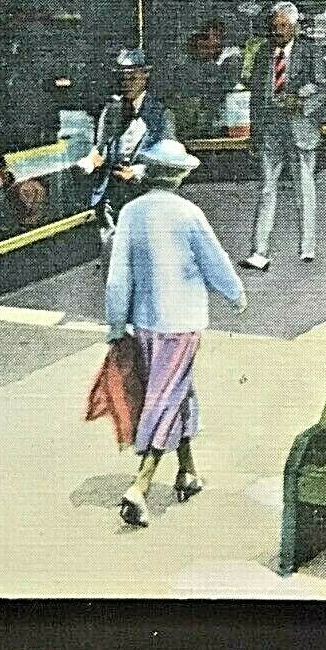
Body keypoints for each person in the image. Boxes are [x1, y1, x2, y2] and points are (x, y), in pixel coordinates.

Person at [105, 140, 246, 529]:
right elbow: (214, 261)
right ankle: (140, 485)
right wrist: (235, 293)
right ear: (182, 174)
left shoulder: (131, 213)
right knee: (168, 396)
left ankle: (187, 472)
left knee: (176, 389)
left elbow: (118, 277)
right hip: (182, 321)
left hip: (145, 321)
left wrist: (117, 323)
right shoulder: (189, 213)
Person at [242, 1, 326, 271]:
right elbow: (256, 97)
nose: (278, 31)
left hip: (300, 128)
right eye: (274, 26)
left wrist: (304, 105)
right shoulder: (262, 54)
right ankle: (259, 251)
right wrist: (255, 132)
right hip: (271, 129)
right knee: (267, 187)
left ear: (294, 27)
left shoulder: (309, 52)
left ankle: (307, 247)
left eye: (283, 26)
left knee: (304, 186)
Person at [79, 48, 175, 242]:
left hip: (143, 196)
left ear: (145, 75)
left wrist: (137, 172)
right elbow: (101, 148)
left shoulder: (161, 114)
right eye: (122, 79)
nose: (127, 84)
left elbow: (169, 159)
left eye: (132, 78)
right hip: (111, 197)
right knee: (112, 250)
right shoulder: (111, 110)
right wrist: (90, 162)